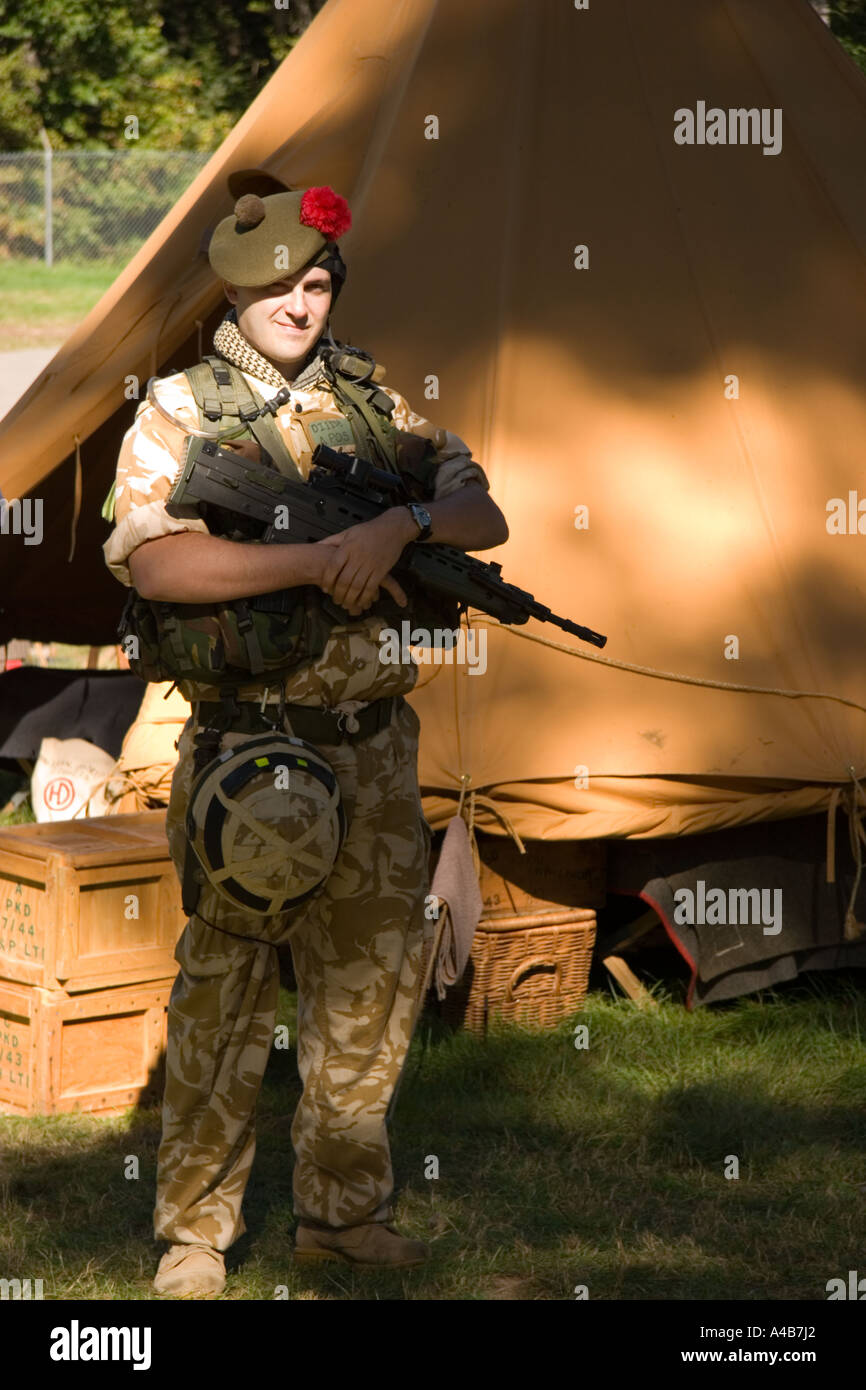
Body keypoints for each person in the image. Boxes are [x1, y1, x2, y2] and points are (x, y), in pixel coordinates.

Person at [103, 180, 508, 1298]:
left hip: (374, 750)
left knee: (369, 996)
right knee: (224, 996)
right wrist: (318, 561)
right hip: (250, 755)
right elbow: (155, 563)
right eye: (279, 284)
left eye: (317, 282)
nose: (299, 301)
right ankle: (195, 1237)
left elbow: (481, 511)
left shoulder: (376, 404)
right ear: (238, 290)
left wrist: (399, 526)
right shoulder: (179, 410)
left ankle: (342, 1216)